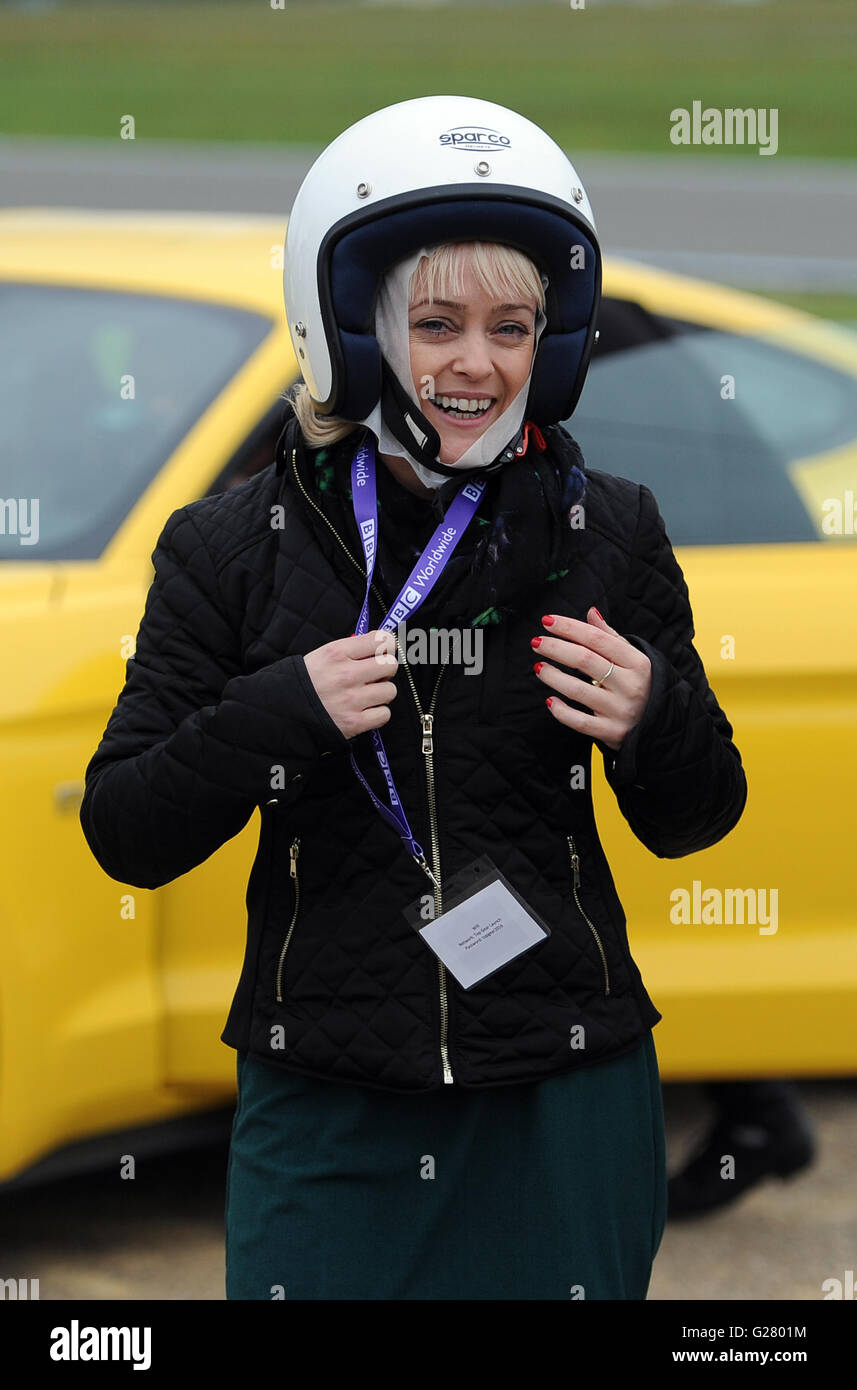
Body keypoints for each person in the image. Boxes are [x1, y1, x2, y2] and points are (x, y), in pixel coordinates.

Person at [79, 95, 748, 1301]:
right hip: (328, 1097)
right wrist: (278, 715)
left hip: (563, 1092)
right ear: (355, 328)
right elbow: (126, 830)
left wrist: (654, 720)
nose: (475, 364)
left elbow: (696, 819)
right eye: (434, 323)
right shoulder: (231, 545)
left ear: (552, 344)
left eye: (511, 326)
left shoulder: (613, 529)